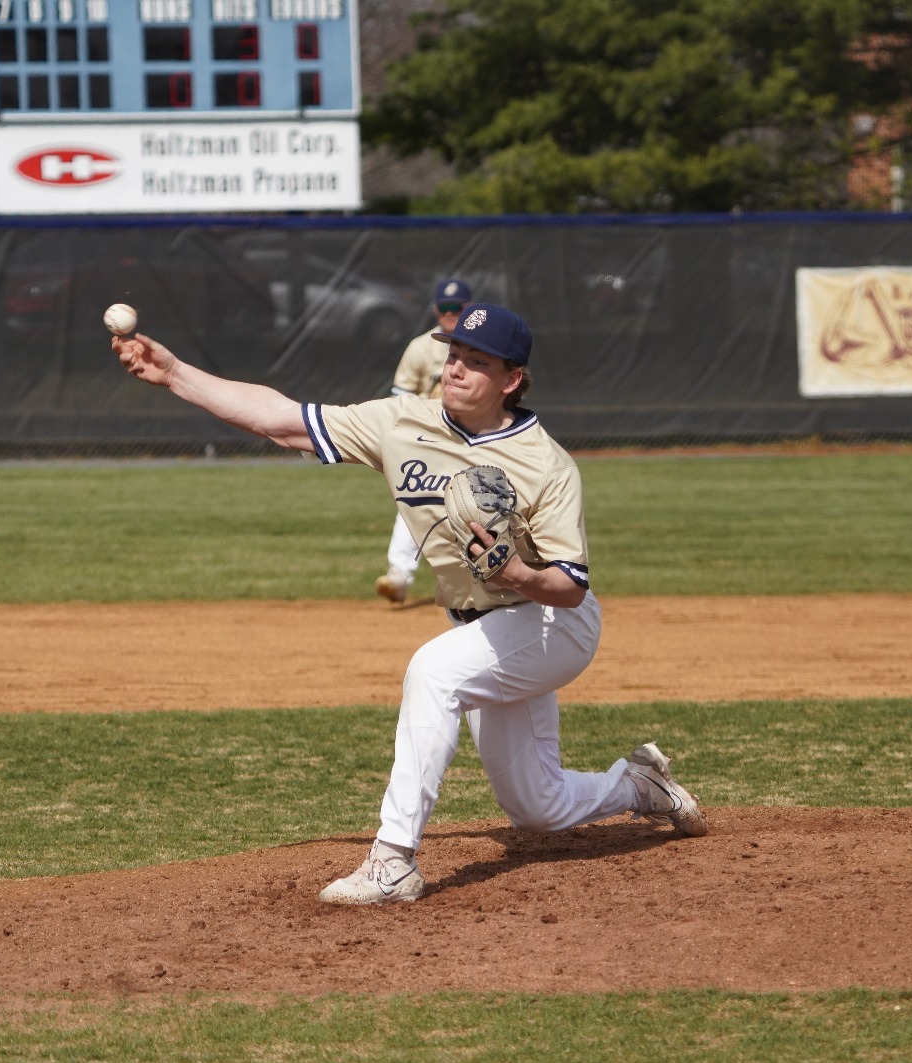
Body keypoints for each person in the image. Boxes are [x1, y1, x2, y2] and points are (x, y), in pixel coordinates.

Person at [110, 301, 708, 906]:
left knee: (433, 670)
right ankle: (639, 787)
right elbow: (283, 419)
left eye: (477, 362)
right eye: (453, 355)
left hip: (554, 625)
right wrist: (177, 373)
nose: (455, 369)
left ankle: (393, 861)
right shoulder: (401, 420)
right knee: (537, 806)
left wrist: (517, 570)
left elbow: (569, 585)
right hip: (482, 626)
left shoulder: (546, 464)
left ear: (512, 380)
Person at [375, 277, 473, 604]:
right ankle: (399, 575)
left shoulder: (484, 348)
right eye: (444, 308)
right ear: (435, 309)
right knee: (415, 499)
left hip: (474, 437)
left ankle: (465, 578)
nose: (449, 313)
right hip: (430, 436)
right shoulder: (421, 347)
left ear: (469, 309)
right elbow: (400, 397)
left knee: (476, 506)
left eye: (456, 308)